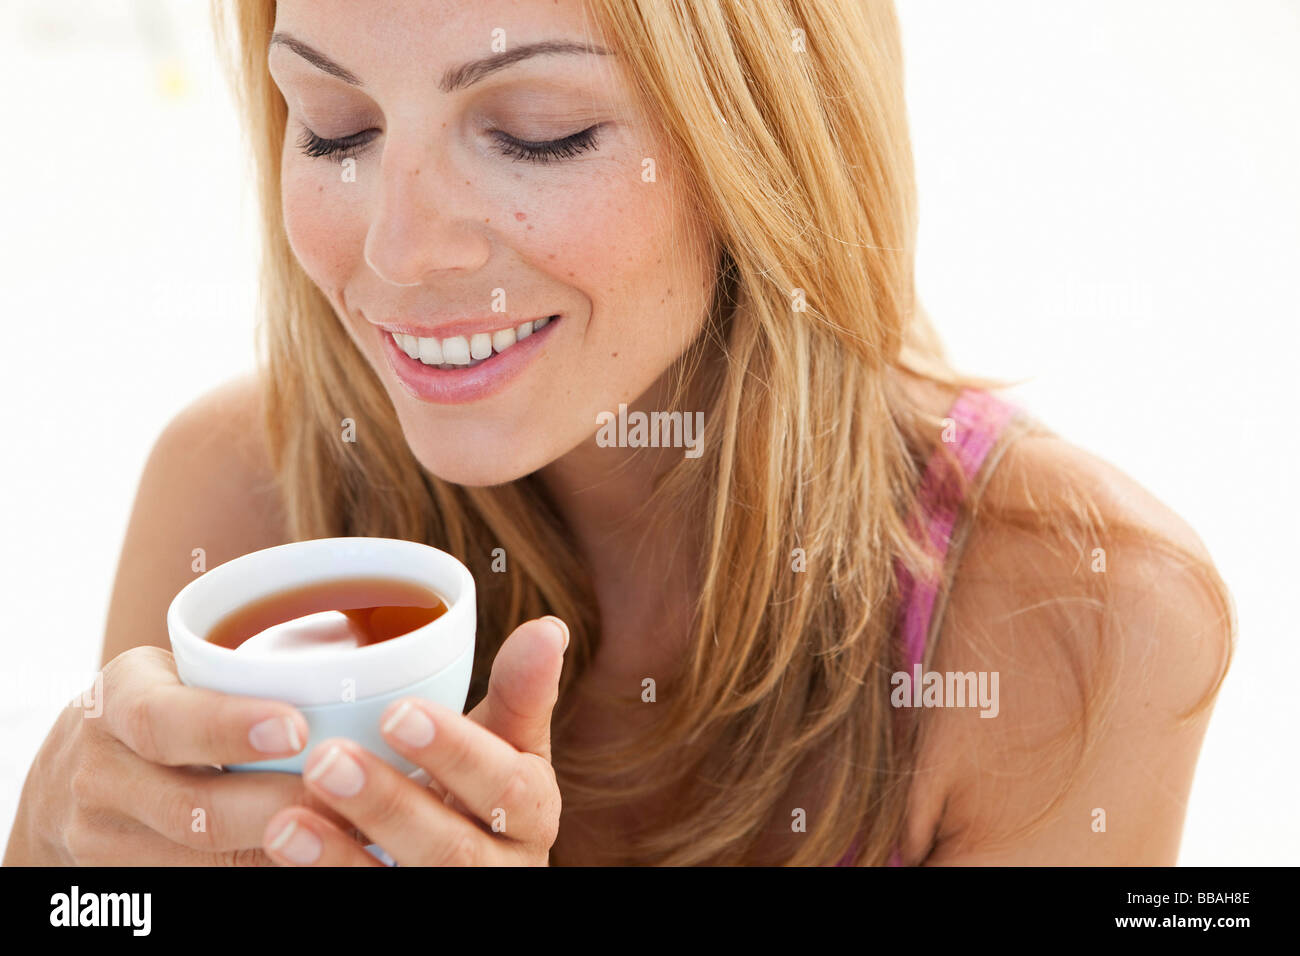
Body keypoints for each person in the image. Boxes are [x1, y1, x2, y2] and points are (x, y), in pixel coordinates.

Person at [4, 0, 1234, 866]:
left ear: (767, 133)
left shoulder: (1081, 618)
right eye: (335, 126)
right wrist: (66, 877)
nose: (398, 251)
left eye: (537, 130)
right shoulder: (242, 496)